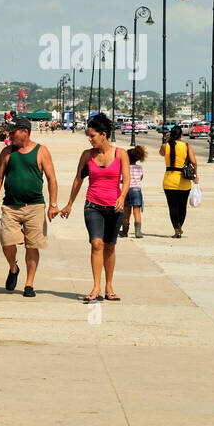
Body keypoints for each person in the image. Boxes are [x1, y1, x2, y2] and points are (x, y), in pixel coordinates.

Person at [0, 117, 59, 298]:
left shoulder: (42, 151)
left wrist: (53, 205)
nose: (9, 135)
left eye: (13, 132)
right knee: (7, 242)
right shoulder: (7, 152)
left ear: (25, 131)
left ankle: (29, 284)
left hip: (35, 207)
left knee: (32, 246)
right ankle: (13, 268)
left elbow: (52, 179)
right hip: (11, 206)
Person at [59, 113, 130, 302]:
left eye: (92, 136)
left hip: (114, 206)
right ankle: (96, 287)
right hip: (93, 205)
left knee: (110, 247)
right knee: (96, 244)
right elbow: (78, 179)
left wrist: (122, 197)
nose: (90, 140)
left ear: (104, 134)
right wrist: (69, 203)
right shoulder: (87, 155)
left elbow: (127, 179)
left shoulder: (120, 153)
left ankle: (109, 286)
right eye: (88, 136)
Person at [160, 124, 198, 238]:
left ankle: (176, 229)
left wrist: (167, 140)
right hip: (184, 182)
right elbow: (194, 162)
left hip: (169, 180)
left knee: (173, 207)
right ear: (181, 135)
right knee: (182, 207)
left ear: (170, 135)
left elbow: (162, 153)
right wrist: (195, 175)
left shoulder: (164, 146)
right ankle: (180, 226)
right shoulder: (186, 146)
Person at [119, 145, 147, 238]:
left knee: (126, 212)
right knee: (137, 212)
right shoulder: (139, 168)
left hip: (126, 190)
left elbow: (123, 179)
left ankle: (124, 231)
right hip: (137, 190)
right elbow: (140, 178)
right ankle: (138, 232)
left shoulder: (124, 167)